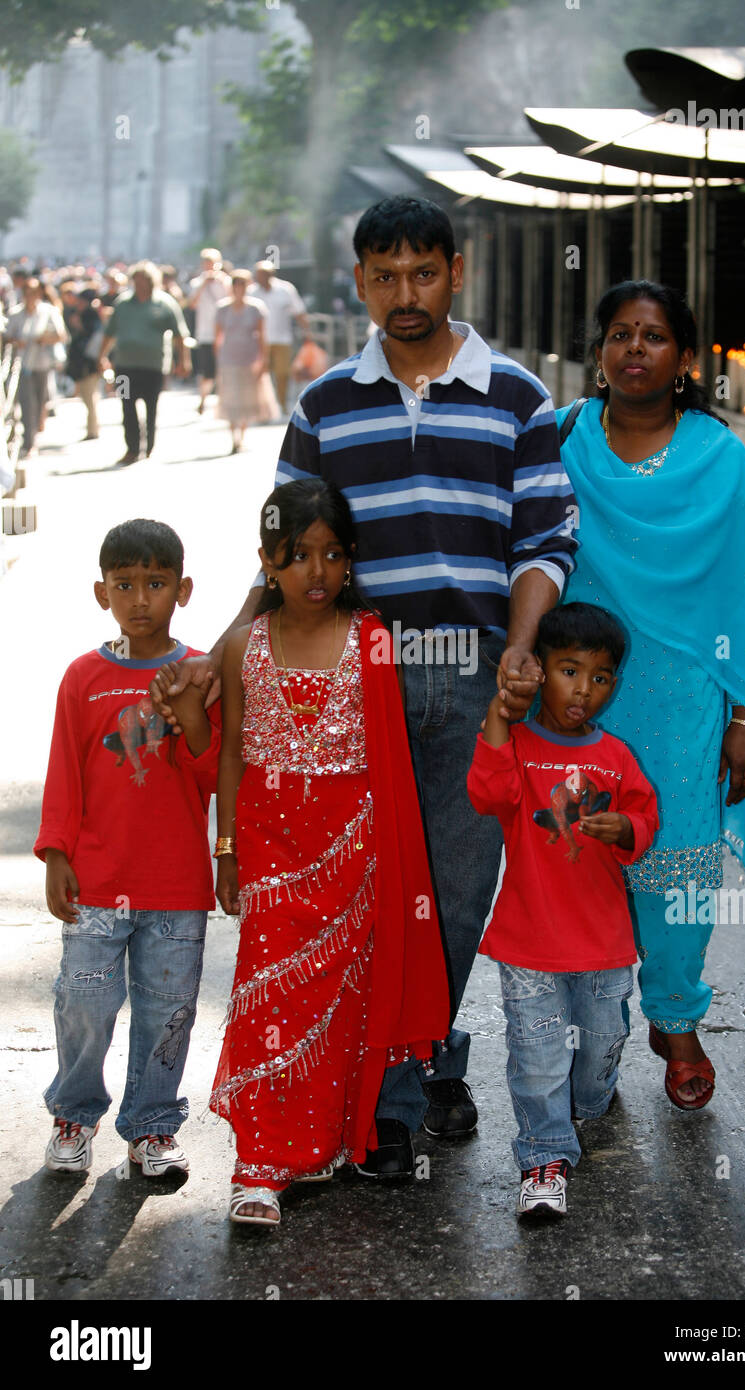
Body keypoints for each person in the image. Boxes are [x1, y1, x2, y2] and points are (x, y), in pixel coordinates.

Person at [154, 196, 578, 1178]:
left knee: (459, 894)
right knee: (382, 887)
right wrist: (215, 660)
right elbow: (283, 551)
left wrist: (520, 652)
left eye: (422, 273)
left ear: (455, 272)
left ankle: (424, 1054)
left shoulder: (515, 395)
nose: (405, 294)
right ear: (358, 283)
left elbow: (546, 537)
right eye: (383, 277)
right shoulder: (326, 405)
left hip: (477, 672)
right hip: (366, 672)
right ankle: (392, 1096)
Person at [555, 280, 745, 1108]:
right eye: (620, 334)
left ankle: (675, 1021)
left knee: (675, 875)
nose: (635, 348)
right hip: (578, 704)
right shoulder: (564, 441)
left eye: (654, 336)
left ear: (684, 358)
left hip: (688, 703)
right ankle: (591, 1034)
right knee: (577, 862)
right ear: (598, 352)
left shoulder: (715, 456)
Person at [169, 479, 449, 1225]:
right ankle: (260, 1165)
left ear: (352, 561)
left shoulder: (373, 639)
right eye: (296, 557)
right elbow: (228, 753)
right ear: (265, 561)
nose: (315, 573)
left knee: (340, 1008)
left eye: (332, 555)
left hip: (354, 848)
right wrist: (226, 849)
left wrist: (390, 860)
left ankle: (325, 1142)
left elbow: (388, 759)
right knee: (270, 995)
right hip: (267, 845)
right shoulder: (241, 643)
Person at [34, 519, 220, 1178]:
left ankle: (152, 1126)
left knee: (168, 1012)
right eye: (125, 584)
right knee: (82, 1001)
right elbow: (65, 774)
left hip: (176, 886)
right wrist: (56, 855)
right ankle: (73, 1115)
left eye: (156, 582)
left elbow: (211, 774)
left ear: (183, 588)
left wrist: (192, 716)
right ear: (101, 592)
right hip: (96, 882)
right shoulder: (82, 678)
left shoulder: (199, 675)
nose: (141, 598)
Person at [468, 603, 659, 1215]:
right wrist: (498, 716)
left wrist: (625, 827)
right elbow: (488, 793)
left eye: (601, 677)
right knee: (538, 1054)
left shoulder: (617, 756)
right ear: (540, 670)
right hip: (529, 940)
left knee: (600, 1046)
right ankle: (543, 1156)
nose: (584, 689)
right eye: (569, 670)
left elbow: (646, 818)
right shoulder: (517, 745)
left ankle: (590, 1101)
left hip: (603, 942)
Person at [100, 261, 191, 465]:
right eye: (137, 281)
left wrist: (184, 361)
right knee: (126, 405)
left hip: (153, 365)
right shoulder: (123, 304)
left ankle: (148, 446)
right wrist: (102, 356)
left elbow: (180, 335)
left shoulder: (165, 303)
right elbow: (109, 333)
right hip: (124, 365)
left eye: (144, 281)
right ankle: (132, 448)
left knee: (151, 406)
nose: (140, 285)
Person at [5, 277, 66, 457]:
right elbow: (8, 336)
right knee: (26, 402)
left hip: (42, 363)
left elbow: (61, 335)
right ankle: (29, 441)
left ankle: (36, 431)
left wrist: (44, 339)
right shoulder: (16, 314)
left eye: (33, 293)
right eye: (27, 293)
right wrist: (17, 342)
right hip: (22, 364)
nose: (30, 296)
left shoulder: (48, 311)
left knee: (40, 401)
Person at [213, 269, 268, 454]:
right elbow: (217, 337)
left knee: (247, 398)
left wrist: (263, 359)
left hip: (249, 358)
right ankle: (232, 438)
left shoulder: (255, 308)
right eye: (236, 285)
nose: (239, 289)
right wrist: (218, 359)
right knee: (230, 398)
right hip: (228, 359)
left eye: (242, 285)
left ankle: (241, 437)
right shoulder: (222, 308)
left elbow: (262, 336)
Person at [251, 260, 310, 413]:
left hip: (282, 339)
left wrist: (307, 332)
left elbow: (299, 311)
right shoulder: (252, 292)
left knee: (282, 373)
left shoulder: (285, 290)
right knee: (261, 375)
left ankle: (282, 403)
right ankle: (262, 406)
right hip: (258, 341)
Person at [188, 248, 230, 416]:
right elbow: (191, 304)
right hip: (205, 333)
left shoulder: (226, 281)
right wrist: (204, 284)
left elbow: (231, 300)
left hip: (225, 334)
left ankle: (223, 401)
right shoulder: (197, 283)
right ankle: (203, 400)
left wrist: (221, 282)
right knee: (207, 370)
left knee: (224, 369)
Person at [66, 286, 104, 440]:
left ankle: (93, 430)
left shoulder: (91, 316)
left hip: (89, 364)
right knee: (87, 396)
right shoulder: (84, 315)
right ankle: (92, 428)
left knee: (90, 397)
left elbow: (92, 339)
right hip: (82, 363)